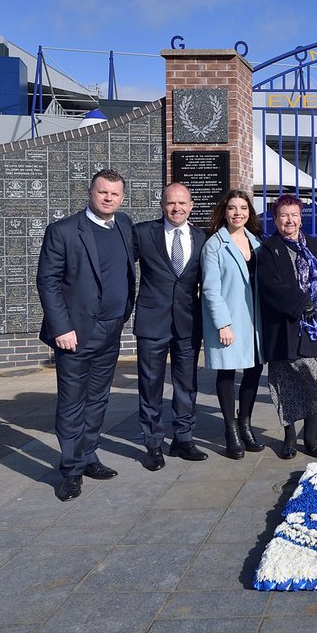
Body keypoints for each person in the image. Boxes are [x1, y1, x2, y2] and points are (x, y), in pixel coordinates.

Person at [36, 169, 136, 501]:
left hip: (111, 329)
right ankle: (70, 470)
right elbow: (48, 282)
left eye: (115, 194)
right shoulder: (63, 231)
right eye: (103, 192)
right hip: (75, 334)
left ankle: (89, 455)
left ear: (122, 198)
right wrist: (61, 327)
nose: (108, 198)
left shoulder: (124, 225)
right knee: (72, 402)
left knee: (98, 398)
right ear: (90, 193)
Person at [258, 194, 317, 459]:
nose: (289, 220)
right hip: (283, 329)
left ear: (301, 218)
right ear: (275, 219)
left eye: (294, 215)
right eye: (284, 215)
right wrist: (301, 303)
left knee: (313, 383)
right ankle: (289, 437)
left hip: (313, 329)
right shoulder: (268, 250)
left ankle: (310, 436)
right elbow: (270, 286)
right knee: (285, 384)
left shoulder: (315, 246)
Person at [131, 182, 208, 471]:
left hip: (188, 322)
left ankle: (183, 439)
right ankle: (153, 443)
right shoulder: (142, 233)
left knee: (186, 384)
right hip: (152, 322)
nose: (177, 208)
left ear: (191, 206)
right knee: (150, 385)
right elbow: (120, 268)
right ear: (162, 205)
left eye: (182, 203)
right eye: (171, 203)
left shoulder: (202, 237)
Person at [200, 189, 265, 460]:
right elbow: (210, 289)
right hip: (229, 320)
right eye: (232, 208)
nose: (238, 213)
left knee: (253, 370)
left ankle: (245, 424)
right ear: (224, 212)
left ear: (250, 212)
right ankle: (231, 431)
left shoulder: (256, 242)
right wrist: (222, 324)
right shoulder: (214, 245)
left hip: (254, 320)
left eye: (243, 208)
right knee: (226, 373)